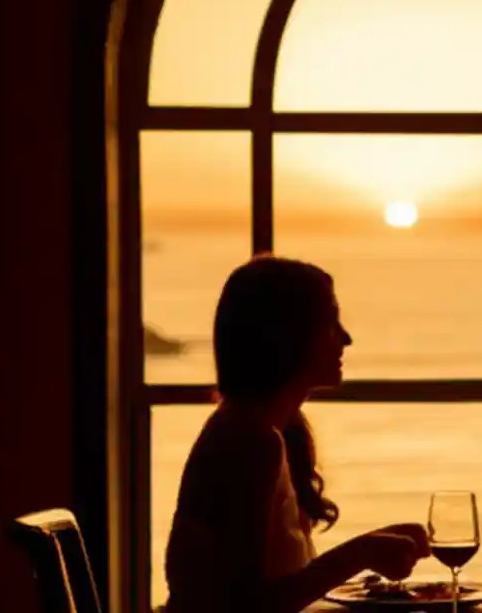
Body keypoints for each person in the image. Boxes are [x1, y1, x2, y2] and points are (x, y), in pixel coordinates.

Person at [165, 255, 429, 613]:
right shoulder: (248, 442)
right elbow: (246, 606)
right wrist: (362, 552)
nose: (346, 338)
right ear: (289, 336)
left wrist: (373, 545)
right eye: (331, 323)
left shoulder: (273, 430)